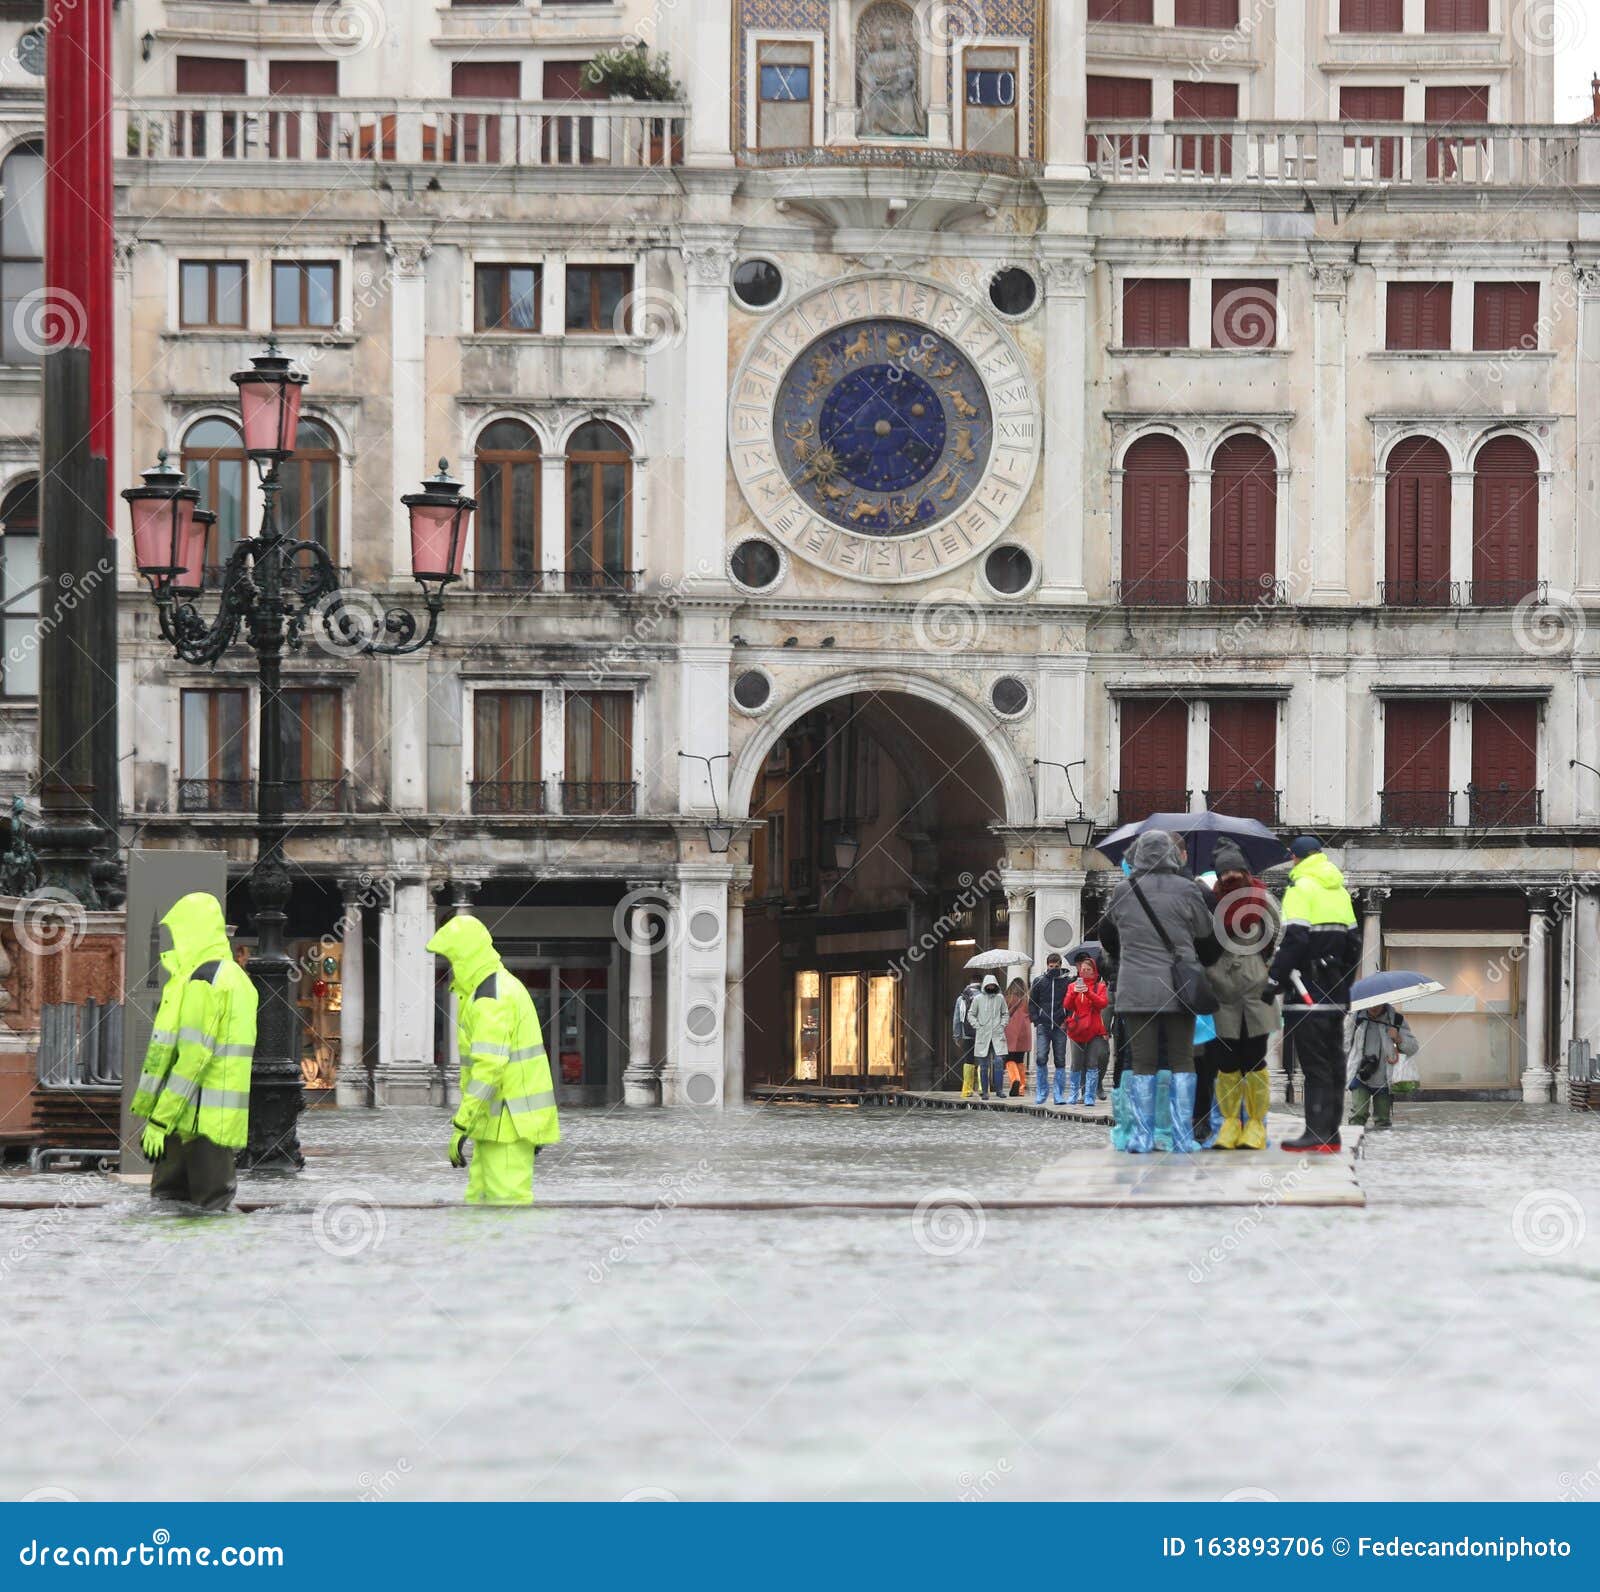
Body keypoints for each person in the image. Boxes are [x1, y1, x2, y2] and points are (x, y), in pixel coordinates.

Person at [131, 891, 258, 1212]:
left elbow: (193, 1058)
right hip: (205, 1117)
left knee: (188, 1207)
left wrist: (160, 1120)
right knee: (192, 1208)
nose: (174, 940)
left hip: (193, 1120)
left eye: (178, 931)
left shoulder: (205, 979)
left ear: (193, 930)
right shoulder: (231, 978)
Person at [1099, 830, 1221, 1153]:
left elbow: (1108, 936)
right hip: (1179, 987)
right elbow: (1206, 933)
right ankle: (1181, 1137)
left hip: (1136, 989)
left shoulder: (1124, 890)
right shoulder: (1187, 888)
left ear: (1137, 855)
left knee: (1142, 1063)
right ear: (1171, 855)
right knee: (1182, 1060)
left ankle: (1141, 1136)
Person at [428, 913, 560, 1205]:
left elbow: (489, 1068)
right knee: (480, 1204)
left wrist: (462, 1124)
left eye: (452, 959)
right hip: (500, 1122)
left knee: (505, 1206)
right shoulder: (493, 989)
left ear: (465, 957)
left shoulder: (490, 998)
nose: (450, 969)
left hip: (508, 1123)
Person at [1265, 835, 1362, 1153]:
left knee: (1314, 1065)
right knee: (1334, 1063)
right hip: (1334, 994)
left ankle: (1316, 1134)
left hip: (1307, 993)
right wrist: (1343, 984)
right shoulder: (1339, 890)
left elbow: (1294, 941)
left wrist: (1273, 982)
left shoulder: (1300, 887)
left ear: (1297, 857)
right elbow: (1354, 946)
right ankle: (1329, 1134)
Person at [1205, 837, 1279, 1150]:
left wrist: (1266, 974)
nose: (1231, 877)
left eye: (1236, 871)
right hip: (1222, 991)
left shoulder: (1263, 900)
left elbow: (1275, 942)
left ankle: (1256, 1125)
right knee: (1226, 1060)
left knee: (1255, 1058)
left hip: (1255, 989)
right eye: (1226, 873)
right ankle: (1230, 1123)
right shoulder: (1211, 903)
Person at [1347, 1001, 1418, 1130]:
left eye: (1377, 1004)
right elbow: (1344, 1044)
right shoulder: (1356, 1018)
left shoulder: (1396, 1020)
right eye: (1370, 1003)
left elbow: (1413, 1048)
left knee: (1383, 1122)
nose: (1373, 1007)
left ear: (1384, 1002)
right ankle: (1355, 1147)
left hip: (1385, 1080)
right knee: (1358, 1116)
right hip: (1359, 1076)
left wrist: (1398, 1038)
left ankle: (1380, 1149)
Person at [1062, 954, 1110, 1106]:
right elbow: (1067, 1005)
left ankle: (1089, 1095)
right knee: (1076, 1063)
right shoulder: (1072, 985)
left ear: (1094, 971)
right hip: (1076, 1029)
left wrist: (1088, 992)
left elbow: (1102, 1004)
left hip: (1094, 1030)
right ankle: (1075, 1093)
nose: (1085, 972)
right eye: (1083, 969)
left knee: (1092, 1062)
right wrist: (1075, 992)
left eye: (1088, 969)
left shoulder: (1100, 986)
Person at [1028, 951, 1073, 1105]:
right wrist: (1036, 1020)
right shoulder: (1039, 981)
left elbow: (1071, 1004)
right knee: (1041, 1057)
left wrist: (1067, 1020)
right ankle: (1041, 1092)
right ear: (1047, 966)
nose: (1054, 968)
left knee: (1060, 1059)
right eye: (1051, 966)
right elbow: (1032, 1003)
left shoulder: (1067, 982)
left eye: (1056, 966)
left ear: (1061, 965)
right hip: (1043, 1025)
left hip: (1060, 1026)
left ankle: (1058, 1094)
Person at [968, 974, 1009, 1100]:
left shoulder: (1000, 998)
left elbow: (1005, 1013)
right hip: (983, 1035)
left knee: (998, 1062)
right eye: (989, 985)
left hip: (997, 1035)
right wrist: (978, 1026)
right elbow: (971, 1014)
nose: (991, 986)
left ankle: (999, 1090)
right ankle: (985, 1091)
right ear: (985, 985)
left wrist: (1002, 1025)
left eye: (993, 985)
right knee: (984, 1065)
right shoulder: (978, 999)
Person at [953, 976, 982, 1097]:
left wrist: (957, 1035)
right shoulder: (985, 996)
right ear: (980, 983)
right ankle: (983, 1087)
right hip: (982, 1033)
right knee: (982, 1059)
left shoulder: (961, 998)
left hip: (967, 1033)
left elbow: (957, 1018)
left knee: (968, 1060)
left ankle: (967, 1089)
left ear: (969, 984)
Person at [1003, 977, 1031, 1097]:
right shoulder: (1028, 1000)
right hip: (1025, 1032)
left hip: (1010, 1031)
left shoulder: (1007, 998)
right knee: (1020, 1060)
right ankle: (1021, 1089)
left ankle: (1015, 1079)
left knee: (1009, 1058)